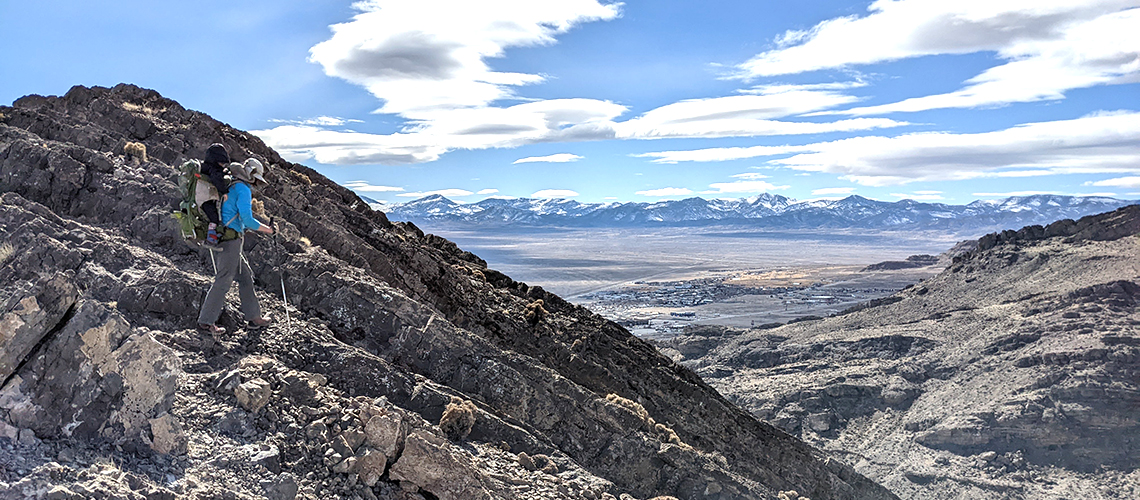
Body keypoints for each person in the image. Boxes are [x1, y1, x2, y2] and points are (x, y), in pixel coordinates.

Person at [197, 158, 274, 334]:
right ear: (252, 175)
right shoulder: (243, 189)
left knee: (245, 277)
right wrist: (268, 230)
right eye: (256, 180)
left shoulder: (230, 184)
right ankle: (205, 322)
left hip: (225, 237)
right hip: (231, 241)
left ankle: (254, 318)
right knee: (224, 280)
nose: (256, 184)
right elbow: (247, 219)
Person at [200, 144, 232, 246]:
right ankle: (211, 239)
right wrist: (225, 192)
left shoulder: (204, 167)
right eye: (221, 162)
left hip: (199, 197)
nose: (222, 165)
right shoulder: (214, 170)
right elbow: (217, 181)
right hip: (206, 199)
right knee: (214, 218)